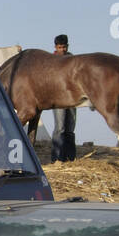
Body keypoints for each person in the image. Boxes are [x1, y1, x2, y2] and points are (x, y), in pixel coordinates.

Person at [51, 34, 77, 163]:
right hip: (58, 98)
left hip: (71, 98)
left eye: (64, 47)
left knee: (70, 127)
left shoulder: (71, 59)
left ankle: (71, 157)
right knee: (60, 127)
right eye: (60, 47)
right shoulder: (51, 60)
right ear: (56, 47)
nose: (62, 50)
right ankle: (57, 157)